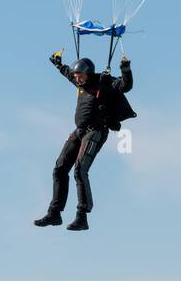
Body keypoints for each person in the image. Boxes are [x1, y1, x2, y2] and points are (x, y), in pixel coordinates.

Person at [33, 50, 134, 231]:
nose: (77, 79)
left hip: (95, 132)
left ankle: (82, 216)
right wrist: (58, 64)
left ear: (88, 73)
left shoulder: (104, 82)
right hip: (79, 132)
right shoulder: (79, 82)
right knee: (59, 168)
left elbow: (125, 86)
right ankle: (55, 213)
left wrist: (125, 69)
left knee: (80, 170)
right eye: (76, 76)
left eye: (80, 76)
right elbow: (67, 74)